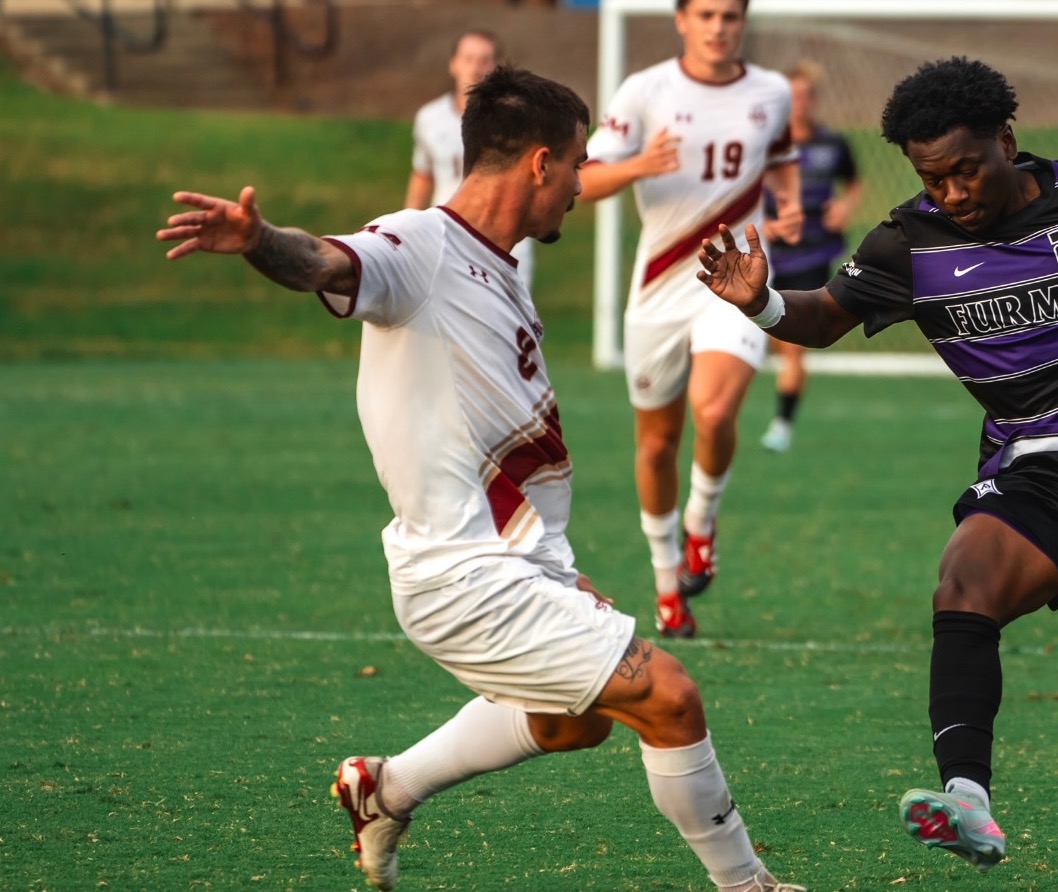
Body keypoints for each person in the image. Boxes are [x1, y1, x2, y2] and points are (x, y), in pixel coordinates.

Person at [156, 65, 804, 892]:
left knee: (573, 726)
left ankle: (384, 789)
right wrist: (257, 242)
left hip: (516, 562)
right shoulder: (419, 245)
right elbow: (326, 262)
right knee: (669, 696)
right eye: (574, 166)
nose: (579, 185)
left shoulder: (496, 268)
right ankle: (747, 886)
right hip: (458, 576)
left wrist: (557, 573)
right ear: (539, 164)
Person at [697, 57, 1058, 877]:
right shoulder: (909, 245)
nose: (953, 191)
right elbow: (827, 317)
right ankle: (967, 800)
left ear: (1006, 141)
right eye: (932, 177)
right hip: (1029, 451)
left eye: (967, 168)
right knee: (961, 582)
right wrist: (760, 302)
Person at [580, 0, 803, 639]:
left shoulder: (771, 92)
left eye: (729, 15)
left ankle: (701, 523)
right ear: (681, 20)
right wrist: (639, 165)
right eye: (705, 14)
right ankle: (666, 583)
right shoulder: (645, 90)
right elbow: (584, 180)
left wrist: (786, 207)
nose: (717, 26)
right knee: (655, 444)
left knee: (715, 411)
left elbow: (781, 160)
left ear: (743, 22)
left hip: (730, 282)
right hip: (657, 289)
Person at [759, 59, 863, 454]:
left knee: (793, 343)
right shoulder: (765, 145)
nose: (799, 103)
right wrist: (765, 226)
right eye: (792, 96)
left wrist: (844, 207)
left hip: (813, 254)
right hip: (766, 255)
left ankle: (782, 425)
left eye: (805, 96)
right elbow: (742, 197)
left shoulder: (832, 143)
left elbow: (853, 184)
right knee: (768, 339)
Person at [407, 30, 536, 292]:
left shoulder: (517, 118)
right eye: (468, 59)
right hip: (446, 230)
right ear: (454, 64)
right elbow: (423, 175)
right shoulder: (430, 118)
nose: (475, 68)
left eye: (484, 60)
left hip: (504, 234)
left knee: (507, 321)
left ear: (496, 67)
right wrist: (409, 226)